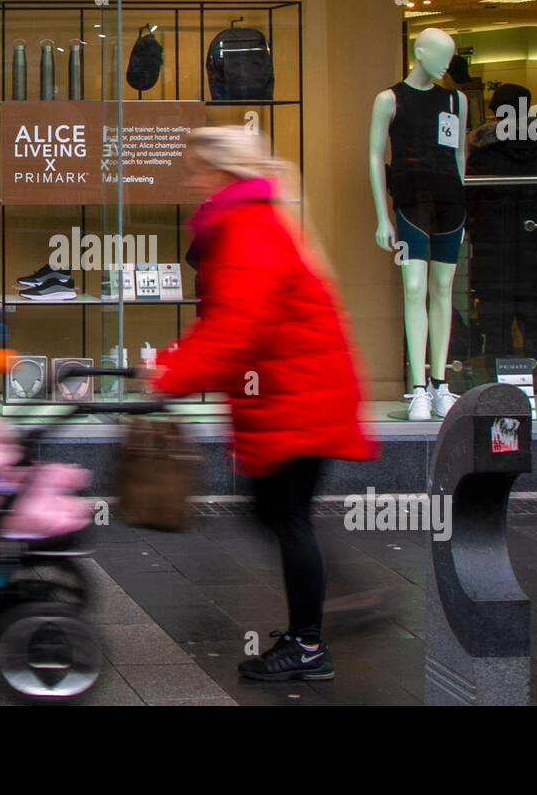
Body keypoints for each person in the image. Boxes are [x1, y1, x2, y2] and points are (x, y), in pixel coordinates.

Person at [148, 126, 379, 682]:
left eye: (196, 170)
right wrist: (174, 363)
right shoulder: (250, 220)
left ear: (223, 172)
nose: (191, 181)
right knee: (274, 511)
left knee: (285, 515)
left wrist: (167, 374)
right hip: (292, 390)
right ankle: (330, 613)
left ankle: (308, 644)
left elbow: (235, 330)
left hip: (298, 396)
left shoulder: (248, 228)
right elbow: (229, 324)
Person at [466, 83, 537, 362]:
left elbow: (473, 194)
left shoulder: (486, 150)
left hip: (494, 241)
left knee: (495, 314)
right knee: (536, 314)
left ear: (497, 110)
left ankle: (500, 378)